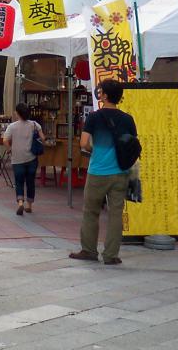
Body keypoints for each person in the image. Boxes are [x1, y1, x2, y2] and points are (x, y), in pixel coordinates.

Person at [69, 79, 137, 266]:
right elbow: (131, 145)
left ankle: (89, 250)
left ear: (105, 95)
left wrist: (95, 151)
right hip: (120, 172)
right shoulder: (128, 119)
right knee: (116, 214)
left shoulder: (94, 117)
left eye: (100, 91)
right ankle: (111, 255)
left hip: (98, 171)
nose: (99, 93)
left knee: (91, 212)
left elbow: (83, 143)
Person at [3, 102, 44, 215]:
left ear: (17, 113)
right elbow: (43, 138)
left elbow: (5, 140)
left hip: (17, 159)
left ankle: (20, 203)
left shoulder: (12, 126)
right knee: (31, 182)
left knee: (19, 181)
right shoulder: (35, 125)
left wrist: (9, 149)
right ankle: (29, 205)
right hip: (32, 158)